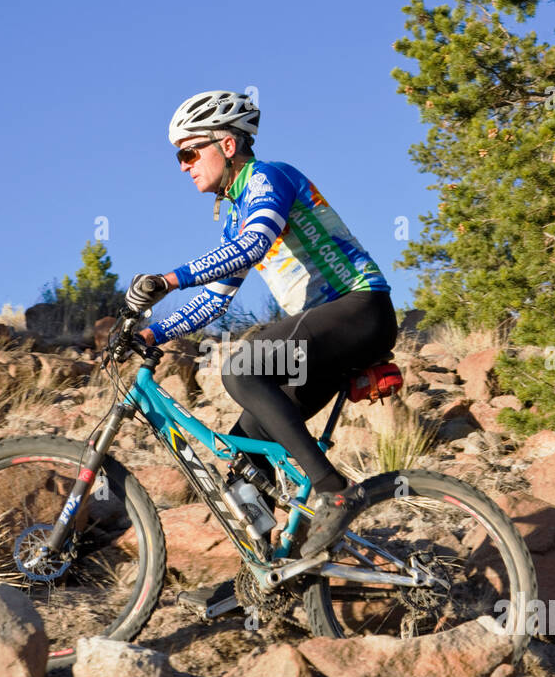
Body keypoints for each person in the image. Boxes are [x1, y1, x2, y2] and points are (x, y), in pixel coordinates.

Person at [126, 90, 397, 603]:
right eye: (178, 157)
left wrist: (167, 278)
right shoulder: (233, 212)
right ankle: (273, 573)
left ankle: (335, 493)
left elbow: (252, 245)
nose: (183, 166)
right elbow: (216, 298)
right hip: (328, 333)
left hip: (359, 311)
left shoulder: (269, 178)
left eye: (189, 152)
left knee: (242, 370)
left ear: (226, 144)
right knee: (247, 465)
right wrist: (151, 333)